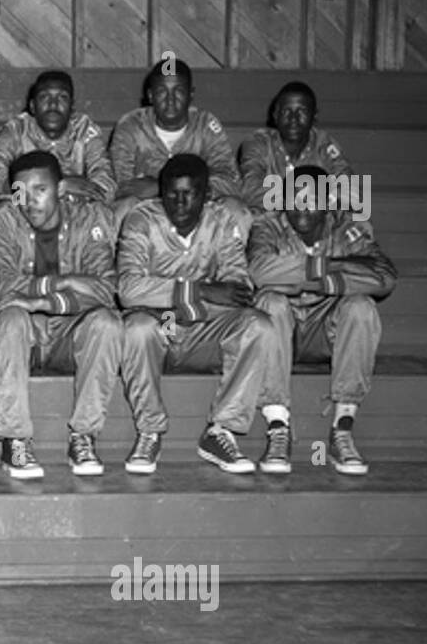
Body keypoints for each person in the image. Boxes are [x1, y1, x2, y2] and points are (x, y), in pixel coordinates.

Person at [117, 154, 274, 474]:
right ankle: (150, 430)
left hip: (203, 329)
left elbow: (239, 289)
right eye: (172, 193)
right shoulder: (141, 220)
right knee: (138, 327)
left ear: (205, 195)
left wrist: (184, 302)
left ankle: (222, 431)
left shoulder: (221, 221)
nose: (180, 201)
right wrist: (200, 290)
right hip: (166, 327)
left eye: (190, 193)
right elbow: (129, 290)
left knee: (260, 325)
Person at [249, 165, 398, 475]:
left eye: (311, 198)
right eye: (294, 198)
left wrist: (327, 280)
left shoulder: (347, 227)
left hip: (325, 331)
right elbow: (261, 273)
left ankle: (342, 427)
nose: (301, 206)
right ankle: (278, 427)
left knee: (361, 307)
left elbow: (384, 277)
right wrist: (331, 271)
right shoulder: (268, 225)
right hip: (281, 333)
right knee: (270, 302)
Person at [0, 151, 122, 478]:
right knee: (11, 317)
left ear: (61, 189)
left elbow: (106, 289)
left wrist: (43, 299)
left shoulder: (90, 218)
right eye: (20, 191)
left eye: (40, 190)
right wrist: (68, 284)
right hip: (27, 331)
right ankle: (14, 438)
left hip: (68, 331)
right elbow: (5, 288)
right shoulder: (5, 219)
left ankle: (84, 436)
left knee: (107, 322)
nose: (29, 201)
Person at [108, 59, 245, 234]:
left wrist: (163, 188)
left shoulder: (205, 125)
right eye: (161, 91)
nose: (170, 99)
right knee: (123, 209)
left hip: (197, 214)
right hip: (147, 215)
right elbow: (122, 185)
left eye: (178, 91)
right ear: (150, 95)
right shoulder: (131, 125)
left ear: (191, 94)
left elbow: (230, 180)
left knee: (236, 210)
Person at [0, 69, 115, 203]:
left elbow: (106, 188)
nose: (53, 104)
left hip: (75, 216)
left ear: (72, 107)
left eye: (62, 97)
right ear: (32, 106)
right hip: (26, 213)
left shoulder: (84, 130)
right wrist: (56, 183)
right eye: (45, 97)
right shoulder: (17, 130)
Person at [238, 80, 354, 210]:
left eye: (302, 111)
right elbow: (250, 190)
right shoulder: (258, 143)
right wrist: (300, 203)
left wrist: (310, 206)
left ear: (314, 116)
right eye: (286, 111)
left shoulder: (324, 145)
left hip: (313, 220)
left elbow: (349, 191)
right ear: (275, 115)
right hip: (271, 220)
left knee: (358, 220)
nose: (293, 118)